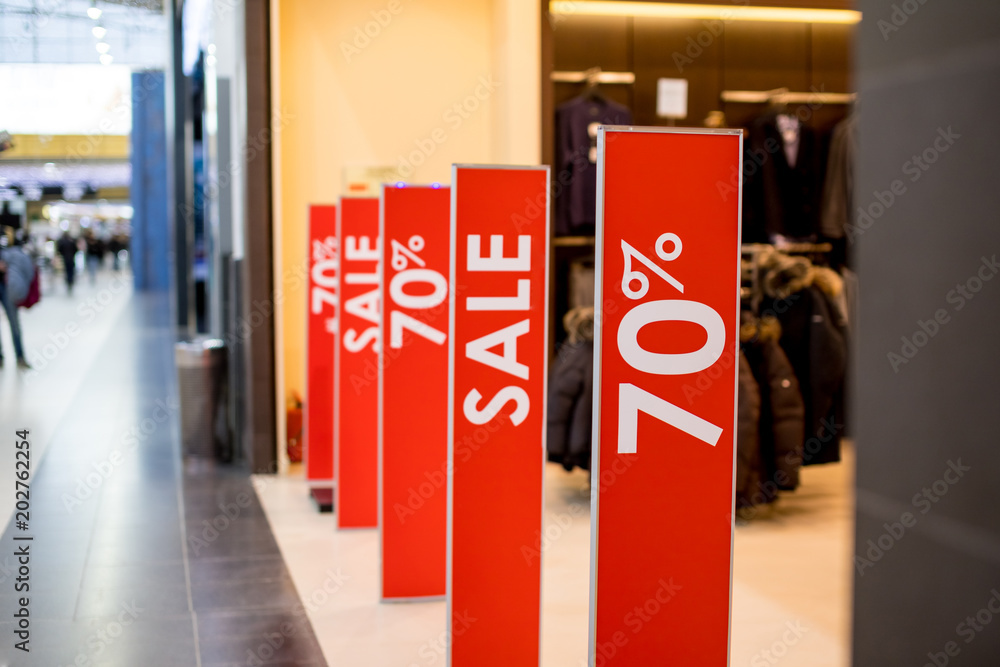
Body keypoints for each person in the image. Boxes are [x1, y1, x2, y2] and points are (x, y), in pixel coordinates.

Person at [0, 236, 33, 369]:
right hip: (7, 285)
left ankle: (20, 356)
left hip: (9, 287)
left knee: (14, 323)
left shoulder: (7, 236)